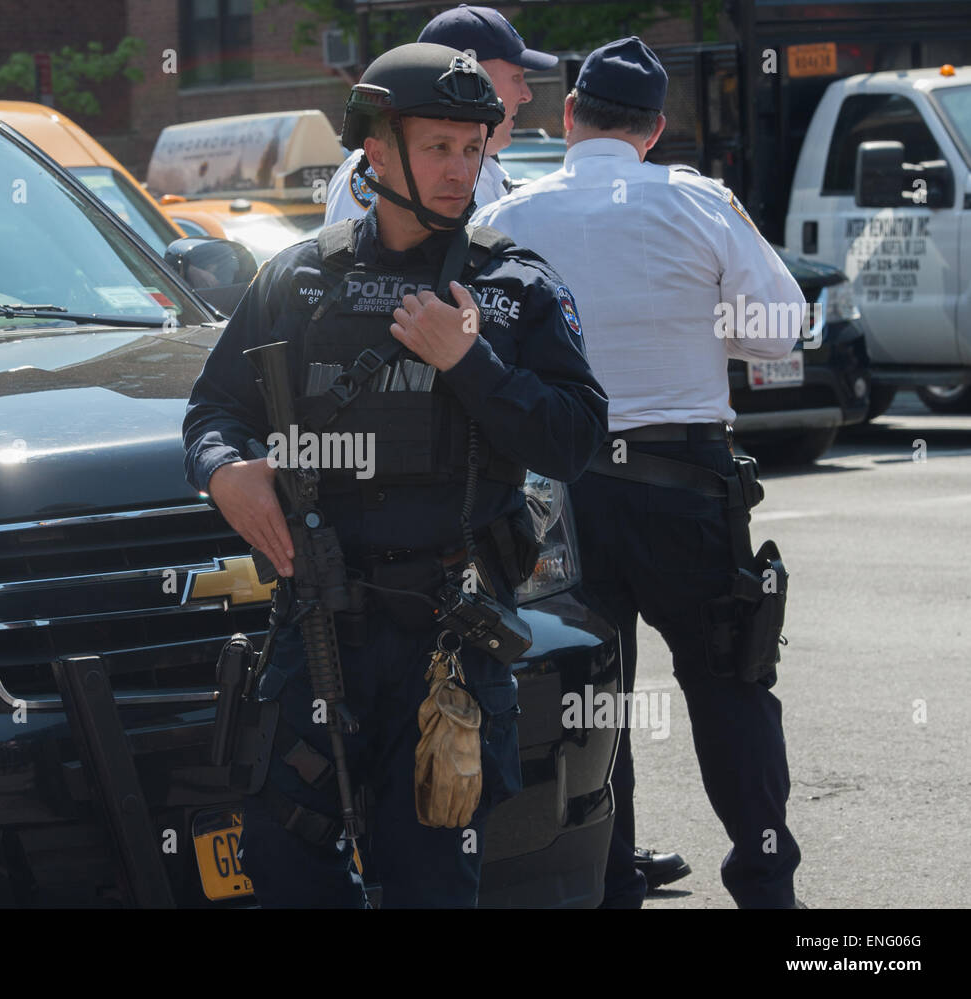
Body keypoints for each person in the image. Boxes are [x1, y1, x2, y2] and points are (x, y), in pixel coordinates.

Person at [184, 42, 608, 907]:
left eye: (472, 147)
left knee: (429, 875)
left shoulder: (514, 286)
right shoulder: (299, 279)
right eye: (437, 147)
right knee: (283, 859)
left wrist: (471, 362)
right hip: (319, 629)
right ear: (375, 152)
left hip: (444, 642)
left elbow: (575, 441)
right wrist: (227, 472)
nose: (462, 170)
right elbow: (214, 413)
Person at [474, 36, 804, 908]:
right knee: (729, 683)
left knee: (589, 696)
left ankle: (606, 883)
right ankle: (767, 887)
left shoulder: (511, 215)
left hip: (557, 493)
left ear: (571, 116)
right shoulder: (698, 203)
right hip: (685, 485)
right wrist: (696, 324)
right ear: (656, 130)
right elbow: (778, 329)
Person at [325, 3, 551, 225]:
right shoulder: (388, 166)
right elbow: (367, 259)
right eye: (517, 78)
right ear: (473, 79)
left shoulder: (485, 168)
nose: (526, 95)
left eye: (470, 149)